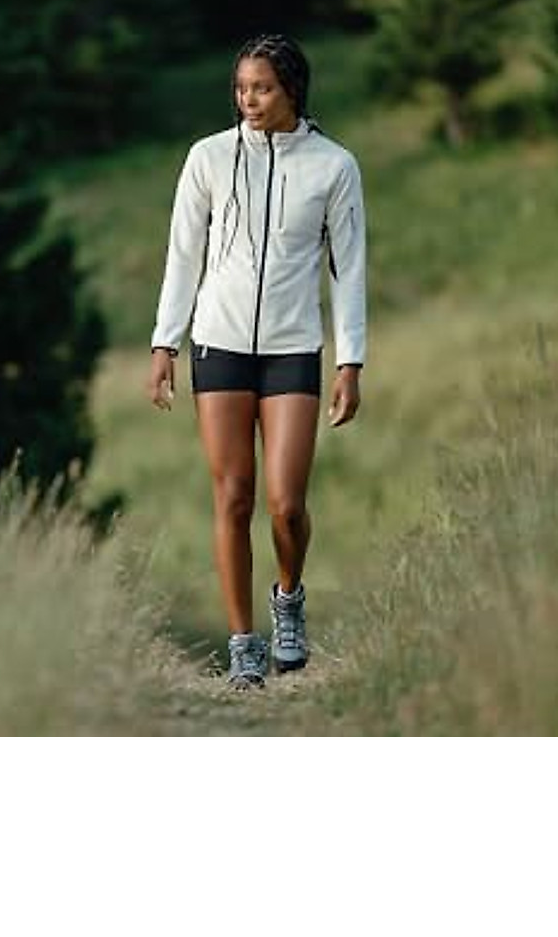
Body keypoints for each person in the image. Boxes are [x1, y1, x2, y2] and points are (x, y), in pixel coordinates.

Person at [146, 34, 366, 689]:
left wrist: (351, 361)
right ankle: (244, 643)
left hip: (292, 347)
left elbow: (349, 268)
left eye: (262, 88)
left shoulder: (334, 166)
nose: (249, 99)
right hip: (219, 343)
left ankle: (288, 599)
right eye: (242, 88)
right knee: (234, 496)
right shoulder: (207, 158)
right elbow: (182, 255)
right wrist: (165, 343)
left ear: (292, 89)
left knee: (286, 504)